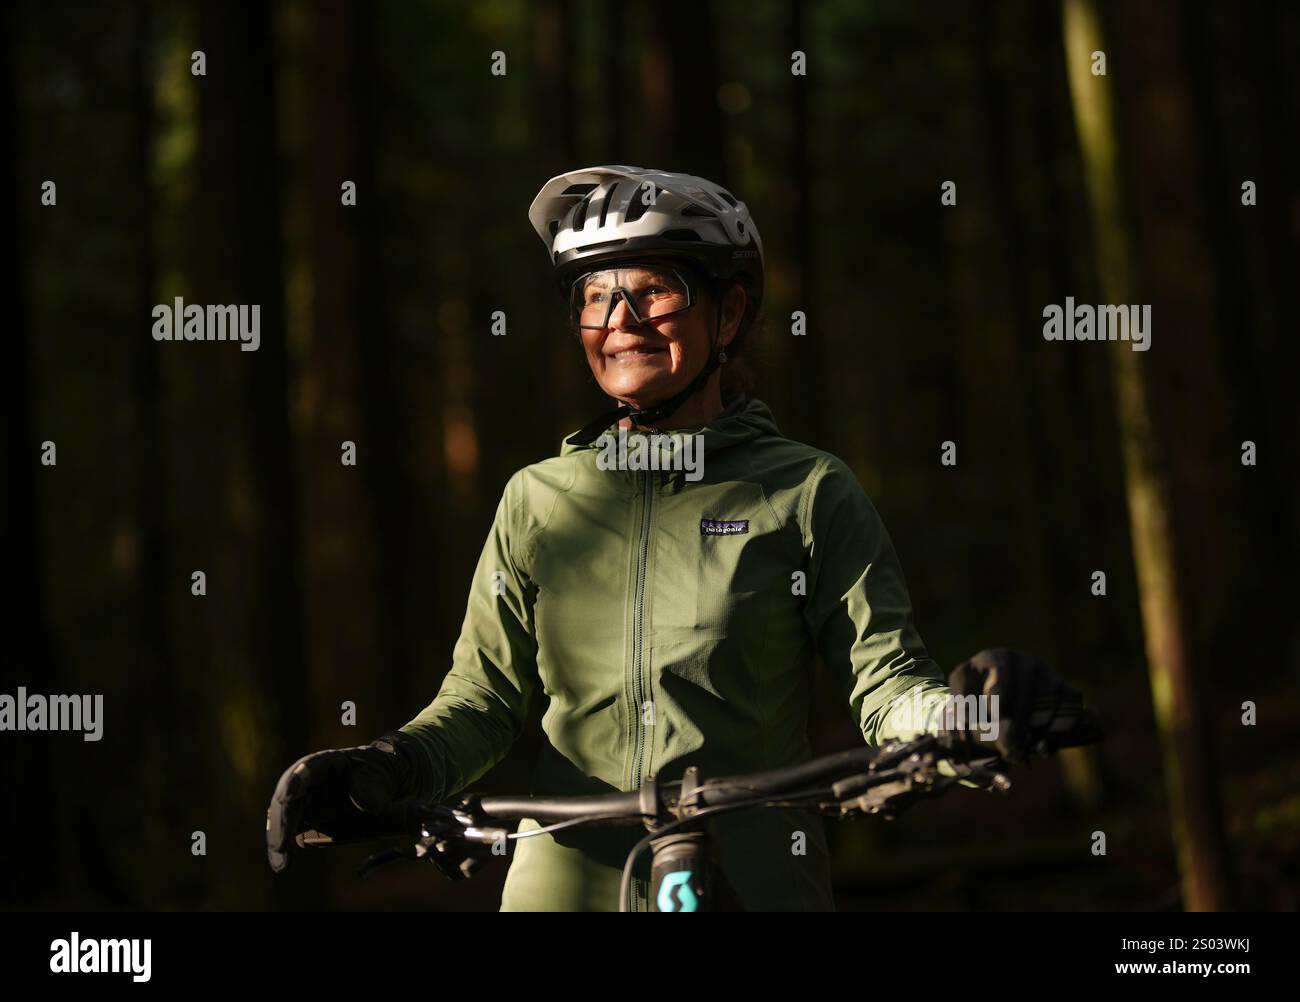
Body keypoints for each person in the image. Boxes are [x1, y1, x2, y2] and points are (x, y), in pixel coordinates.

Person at [266, 165, 1084, 911]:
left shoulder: (806, 490)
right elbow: (482, 702)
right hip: (564, 878)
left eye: (652, 290)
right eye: (594, 296)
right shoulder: (536, 500)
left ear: (729, 312)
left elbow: (885, 683)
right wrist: (384, 767)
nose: (620, 322)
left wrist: (965, 717)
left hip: (754, 877)